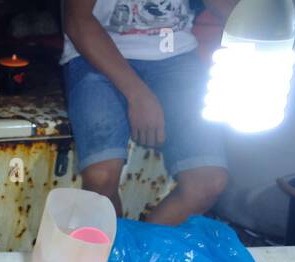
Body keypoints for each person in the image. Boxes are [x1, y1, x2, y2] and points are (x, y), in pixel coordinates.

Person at [62, 0, 237, 225]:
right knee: (100, 177)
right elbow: (77, 22)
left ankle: (138, 252)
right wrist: (138, 95)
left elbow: (225, 7)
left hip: (176, 54)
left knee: (208, 182)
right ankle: (114, 253)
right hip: (94, 54)